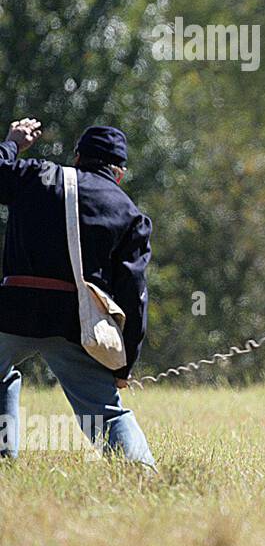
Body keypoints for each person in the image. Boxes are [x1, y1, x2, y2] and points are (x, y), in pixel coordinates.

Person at [0, 119, 154, 466]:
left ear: (78, 157)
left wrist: (12, 143)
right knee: (107, 415)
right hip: (74, 324)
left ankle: (3, 457)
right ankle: (142, 476)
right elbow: (134, 294)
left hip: (11, 312)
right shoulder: (129, 212)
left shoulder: (36, 175)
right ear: (120, 173)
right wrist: (124, 363)